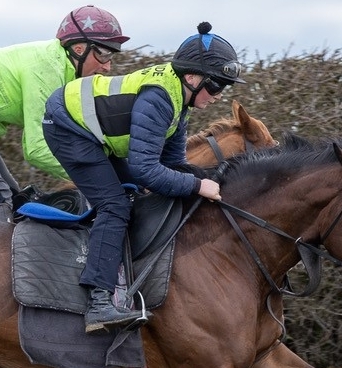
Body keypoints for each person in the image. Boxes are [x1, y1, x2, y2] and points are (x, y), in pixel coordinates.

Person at [41, 22, 244, 334]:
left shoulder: (180, 101)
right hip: (66, 125)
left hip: (94, 131)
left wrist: (210, 180)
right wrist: (198, 184)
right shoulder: (160, 99)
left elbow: (174, 163)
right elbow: (146, 169)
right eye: (216, 86)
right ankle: (98, 303)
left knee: (138, 192)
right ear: (192, 77)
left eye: (224, 88)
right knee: (115, 205)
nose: (218, 96)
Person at [0, 6, 129, 221]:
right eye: (103, 54)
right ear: (80, 48)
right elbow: (38, 148)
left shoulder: (68, 74)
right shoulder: (47, 69)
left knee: (15, 199)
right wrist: (99, 174)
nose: (108, 67)